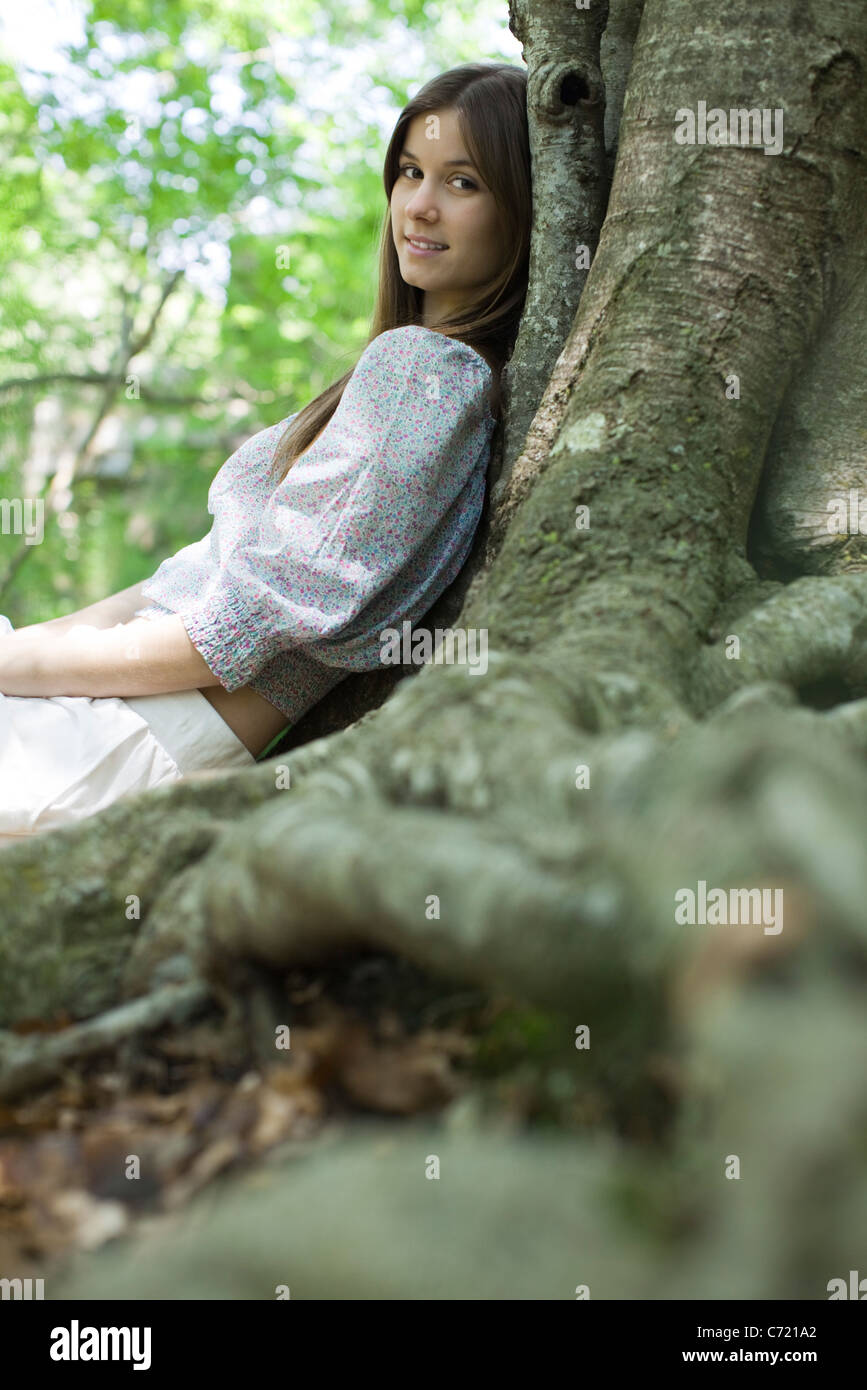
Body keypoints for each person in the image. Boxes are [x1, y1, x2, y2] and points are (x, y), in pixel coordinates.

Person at [0, 61, 531, 848]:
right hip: (99, 711)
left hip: (127, 733)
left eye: (462, 182)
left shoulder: (425, 373)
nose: (418, 205)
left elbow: (238, 632)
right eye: (411, 173)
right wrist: (21, 653)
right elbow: (171, 582)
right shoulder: (398, 371)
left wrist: (17, 668)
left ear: (519, 208)